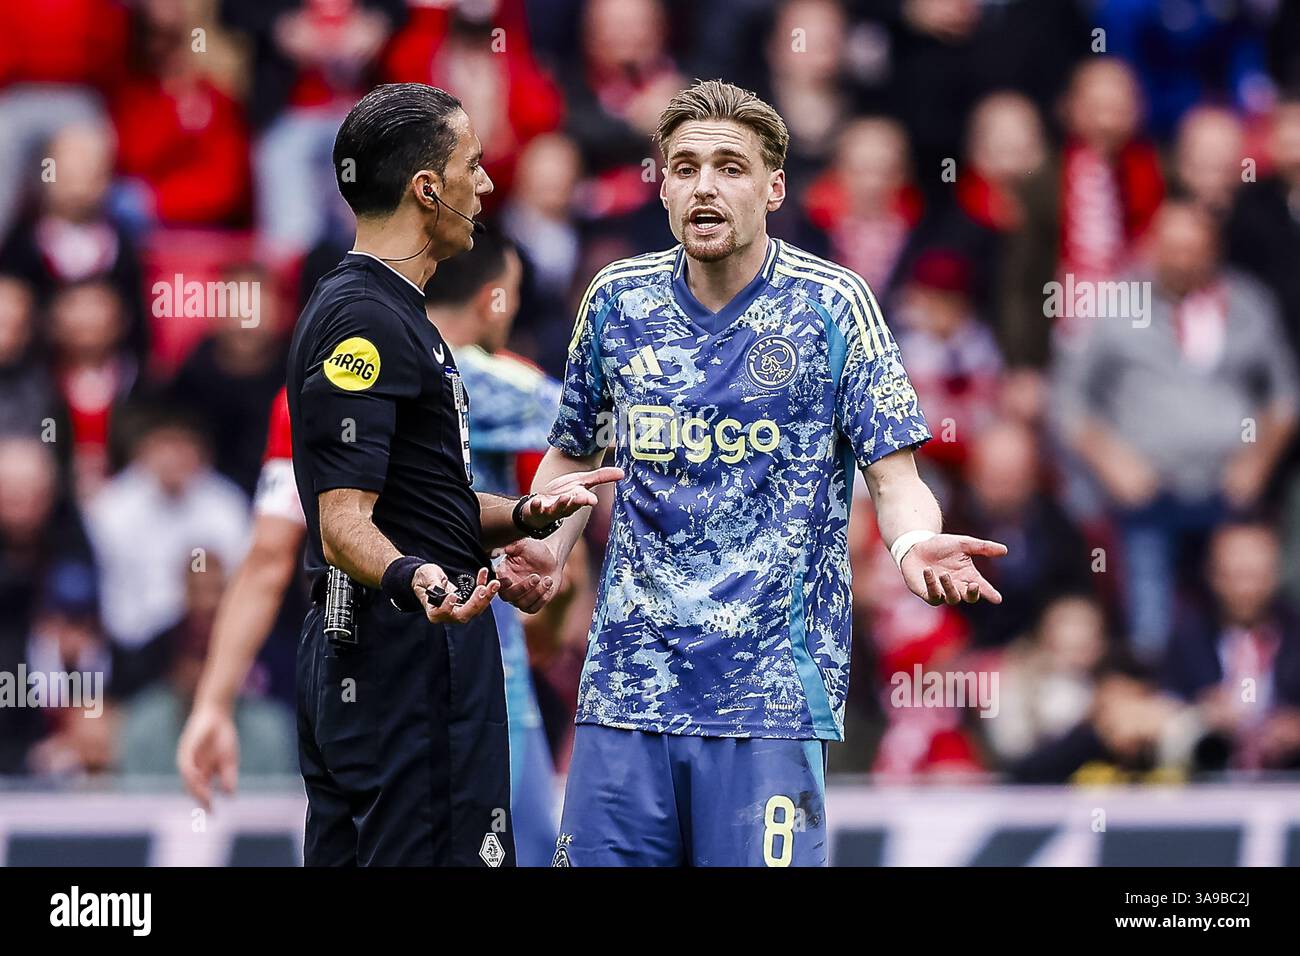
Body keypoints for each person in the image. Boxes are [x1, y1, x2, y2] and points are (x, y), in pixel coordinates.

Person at [525, 80, 1006, 866]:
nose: (704, 185)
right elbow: (576, 456)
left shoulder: (834, 305)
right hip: (625, 697)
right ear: (665, 186)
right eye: (683, 167)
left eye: (729, 167)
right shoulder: (616, 300)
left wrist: (913, 543)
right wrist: (546, 543)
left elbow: (892, 475)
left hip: (769, 704)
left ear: (774, 187)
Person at [286, 83, 619, 867]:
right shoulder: (366, 321)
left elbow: (423, 504)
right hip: (402, 657)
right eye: (475, 165)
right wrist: (417, 580)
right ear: (426, 189)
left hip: (395, 649)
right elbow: (343, 521)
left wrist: (525, 516)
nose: (489, 184)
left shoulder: (397, 315)